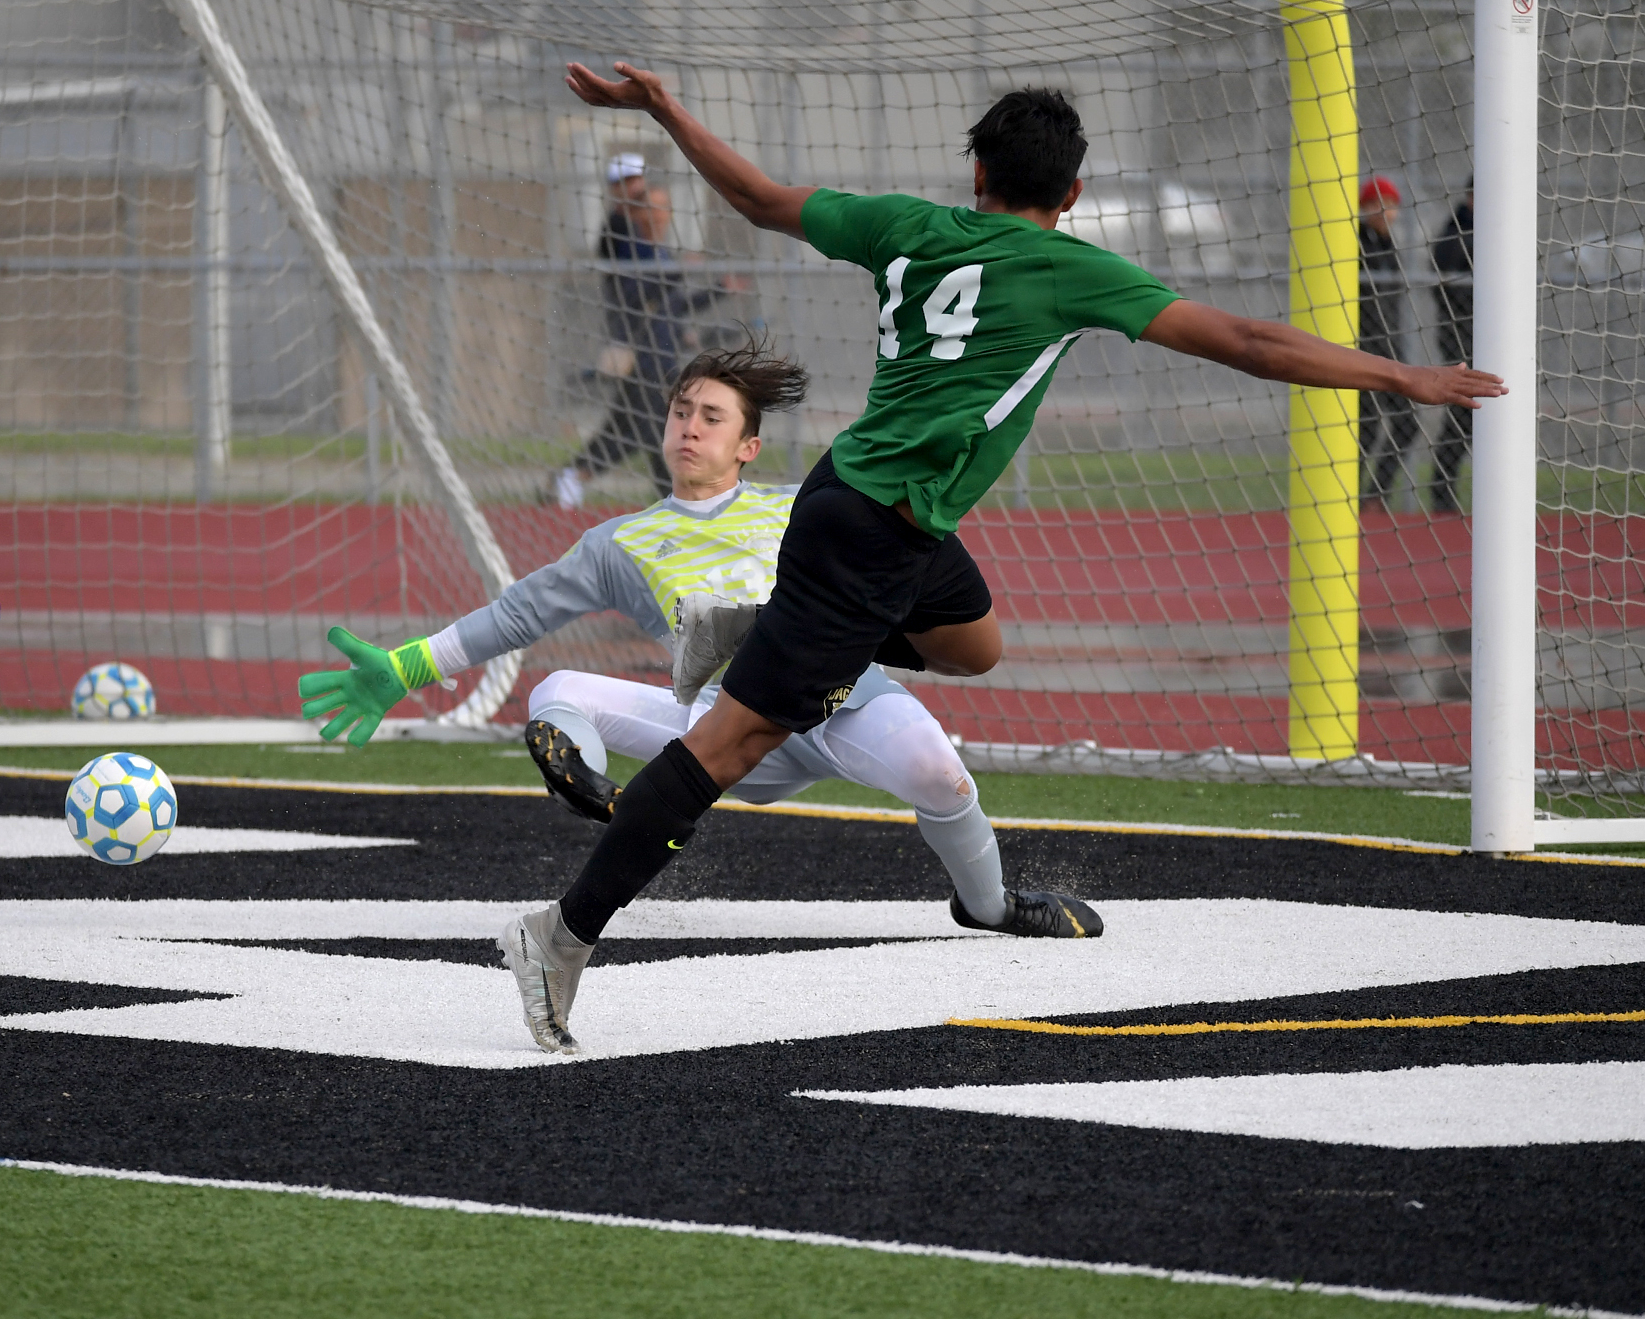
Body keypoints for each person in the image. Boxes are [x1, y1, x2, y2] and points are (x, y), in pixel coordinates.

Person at [490, 63, 1506, 1057]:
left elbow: (757, 200)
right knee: (728, 749)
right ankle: (559, 937)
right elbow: (1242, 337)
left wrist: (665, 105)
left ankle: (758, 629)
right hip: (871, 540)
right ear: (1070, 195)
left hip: (873, 517)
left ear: (977, 176)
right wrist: (1403, 374)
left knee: (975, 643)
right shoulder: (1069, 266)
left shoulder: (905, 224)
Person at [299, 342, 1091, 1053]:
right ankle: (590, 786)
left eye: (711, 416)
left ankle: (986, 905)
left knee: (939, 773)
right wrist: (404, 669)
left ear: (748, 445)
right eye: (681, 411)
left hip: (844, 698)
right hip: (724, 723)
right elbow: (517, 614)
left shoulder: (800, 505)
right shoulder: (620, 541)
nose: (689, 426)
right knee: (557, 689)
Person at [555, 154, 735, 508]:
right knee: (659, 427)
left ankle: (574, 475)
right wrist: (676, 272)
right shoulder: (620, 234)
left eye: (662, 206)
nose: (660, 213)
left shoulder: (658, 251)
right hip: (643, 350)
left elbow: (672, 303)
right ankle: (669, 497)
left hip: (662, 349)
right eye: (649, 205)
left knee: (629, 427)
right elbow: (638, 294)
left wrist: (717, 291)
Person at [1357, 176, 1419, 508]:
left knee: (1405, 423)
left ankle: (1375, 494)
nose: (1386, 212)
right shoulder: (1357, 244)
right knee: (1366, 427)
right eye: (1378, 204)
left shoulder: (1386, 246)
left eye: (1391, 205)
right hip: (1364, 349)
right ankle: (1354, 497)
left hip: (1388, 348)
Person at [1430, 182, 1474, 514]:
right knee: (1460, 417)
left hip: (1482, 337)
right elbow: (1444, 285)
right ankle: (1441, 494)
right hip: (1459, 338)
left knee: (1474, 419)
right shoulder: (1453, 234)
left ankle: (1445, 493)